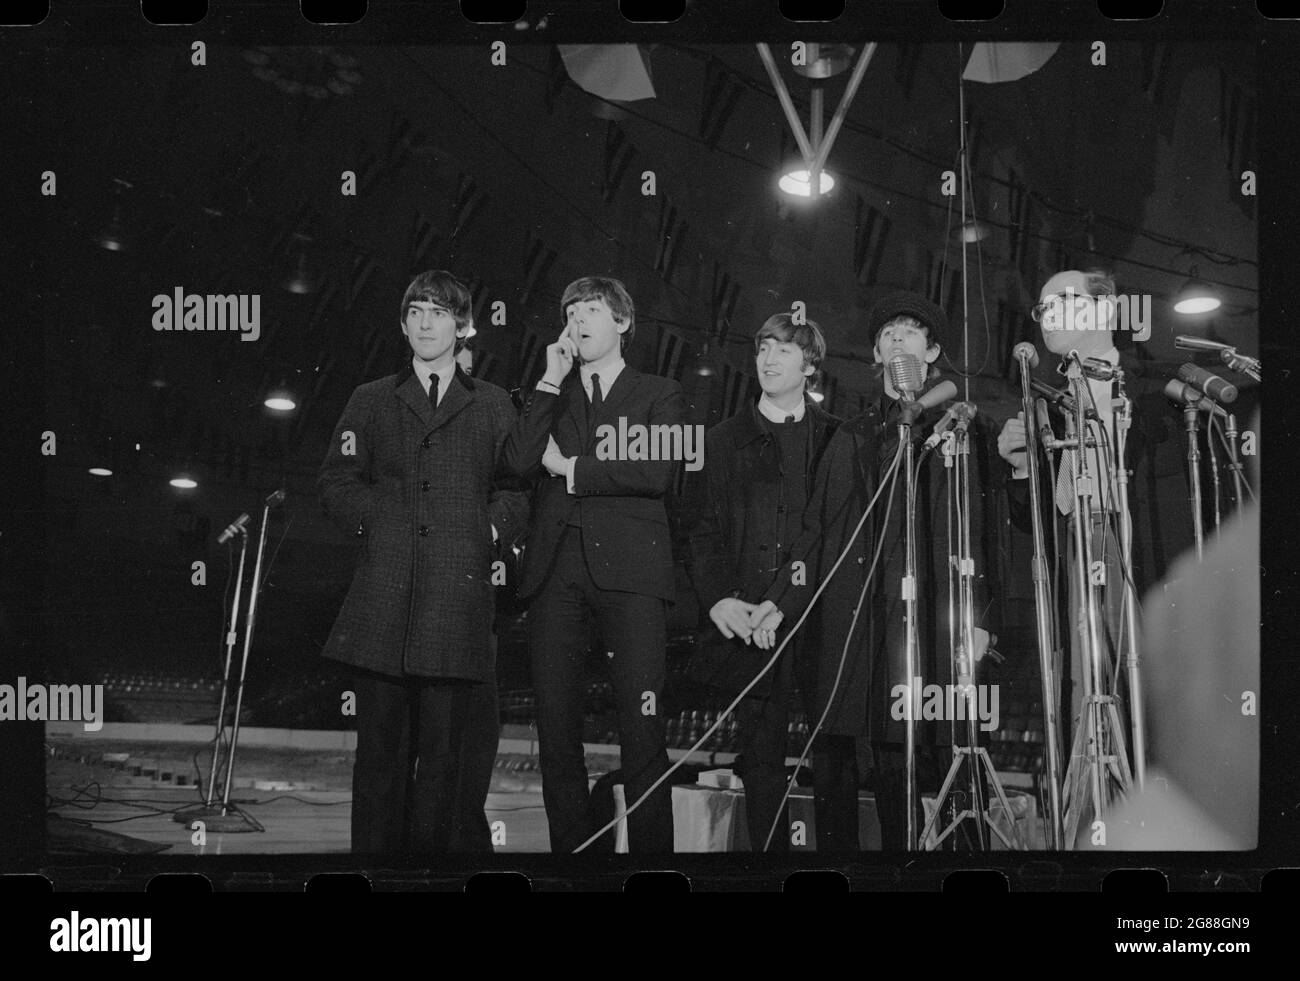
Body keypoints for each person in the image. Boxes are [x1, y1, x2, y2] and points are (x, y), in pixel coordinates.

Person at [751, 291, 999, 851]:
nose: (896, 342)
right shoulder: (851, 434)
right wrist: (779, 601)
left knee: (904, 760)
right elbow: (816, 532)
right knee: (835, 756)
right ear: (875, 353)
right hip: (846, 626)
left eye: (910, 333)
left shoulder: (957, 430)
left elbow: (984, 532)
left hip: (916, 623)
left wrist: (980, 615)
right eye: (887, 335)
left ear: (932, 351)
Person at [318, 269, 529, 854]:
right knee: (378, 761)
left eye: (438, 313)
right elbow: (337, 479)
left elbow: (516, 488)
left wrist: (490, 527)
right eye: (416, 312)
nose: (426, 323)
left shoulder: (492, 405)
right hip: (381, 604)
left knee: (444, 766)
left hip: (455, 607)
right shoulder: (369, 400)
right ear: (404, 324)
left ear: (462, 327)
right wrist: (375, 521)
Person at [500, 276, 686, 853]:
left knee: (642, 728)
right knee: (556, 731)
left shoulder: (661, 393)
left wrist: (572, 469)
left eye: (593, 310)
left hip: (631, 577)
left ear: (623, 323)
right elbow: (517, 462)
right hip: (555, 574)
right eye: (572, 311)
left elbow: (656, 472)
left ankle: (654, 867)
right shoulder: (550, 393)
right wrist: (549, 380)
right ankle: (572, 864)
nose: (579, 320)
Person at [686, 313, 840, 852]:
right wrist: (721, 602)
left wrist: (785, 602)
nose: (769, 359)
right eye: (764, 348)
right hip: (751, 625)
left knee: (838, 757)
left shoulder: (836, 438)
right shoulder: (723, 439)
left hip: (817, 619)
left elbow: (834, 535)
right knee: (762, 759)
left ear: (810, 365)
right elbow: (700, 533)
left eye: (784, 349)